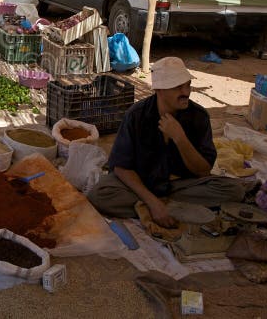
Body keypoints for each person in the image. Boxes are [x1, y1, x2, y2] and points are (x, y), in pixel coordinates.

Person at [87, 57, 246, 227]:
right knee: (100, 195)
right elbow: (121, 168)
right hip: (144, 184)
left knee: (235, 190)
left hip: (180, 186)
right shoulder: (136, 115)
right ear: (159, 90)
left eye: (187, 85)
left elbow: (203, 171)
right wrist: (152, 202)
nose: (186, 92)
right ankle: (163, 208)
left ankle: (159, 208)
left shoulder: (198, 117)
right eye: (178, 87)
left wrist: (180, 138)